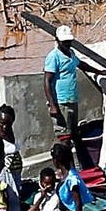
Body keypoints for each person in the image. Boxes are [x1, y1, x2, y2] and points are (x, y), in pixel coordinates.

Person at [44, 25, 93, 168]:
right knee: (64, 138)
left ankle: (79, 168)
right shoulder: (53, 57)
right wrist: (52, 105)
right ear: (57, 40)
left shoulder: (70, 53)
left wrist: (100, 72)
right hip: (60, 101)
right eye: (64, 42)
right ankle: (69, 170)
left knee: (73, 134)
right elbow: (47, 81)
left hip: (72, 99)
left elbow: (81, 64)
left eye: (69, 41)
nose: (67, 44)